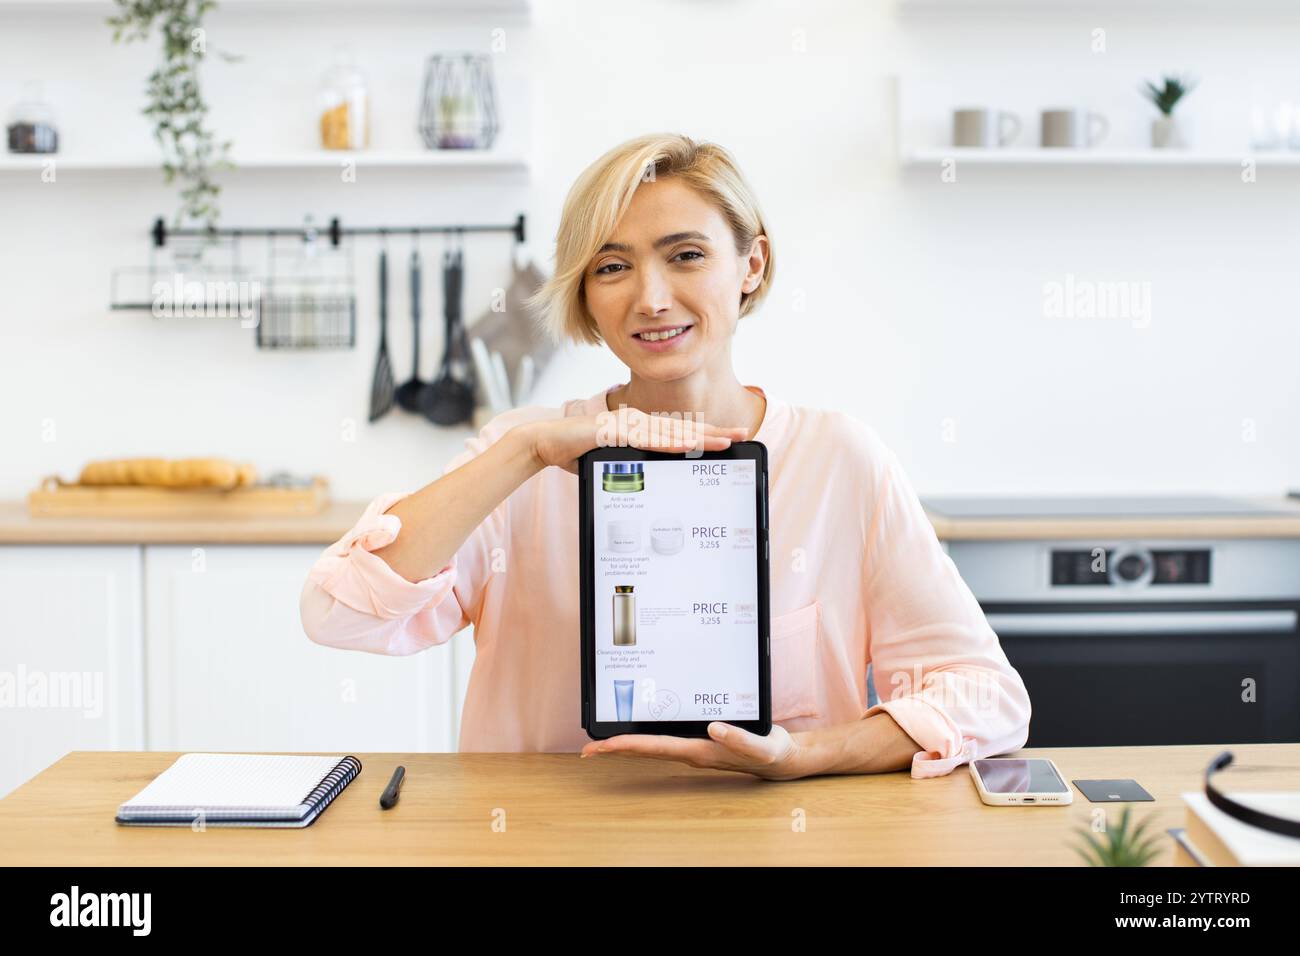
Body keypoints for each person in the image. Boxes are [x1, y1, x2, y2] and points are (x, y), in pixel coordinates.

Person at [300, 132, 1031, 781]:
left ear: (751, 264)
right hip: (538, 844)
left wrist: (803, 756)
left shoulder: (841, 460)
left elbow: (985, 697)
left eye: (686, 255)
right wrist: (524, 450)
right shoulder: (525, 455)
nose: (651, 298)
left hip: (774, 842)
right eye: (612, 267)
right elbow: (337, 614)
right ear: (585, 292)